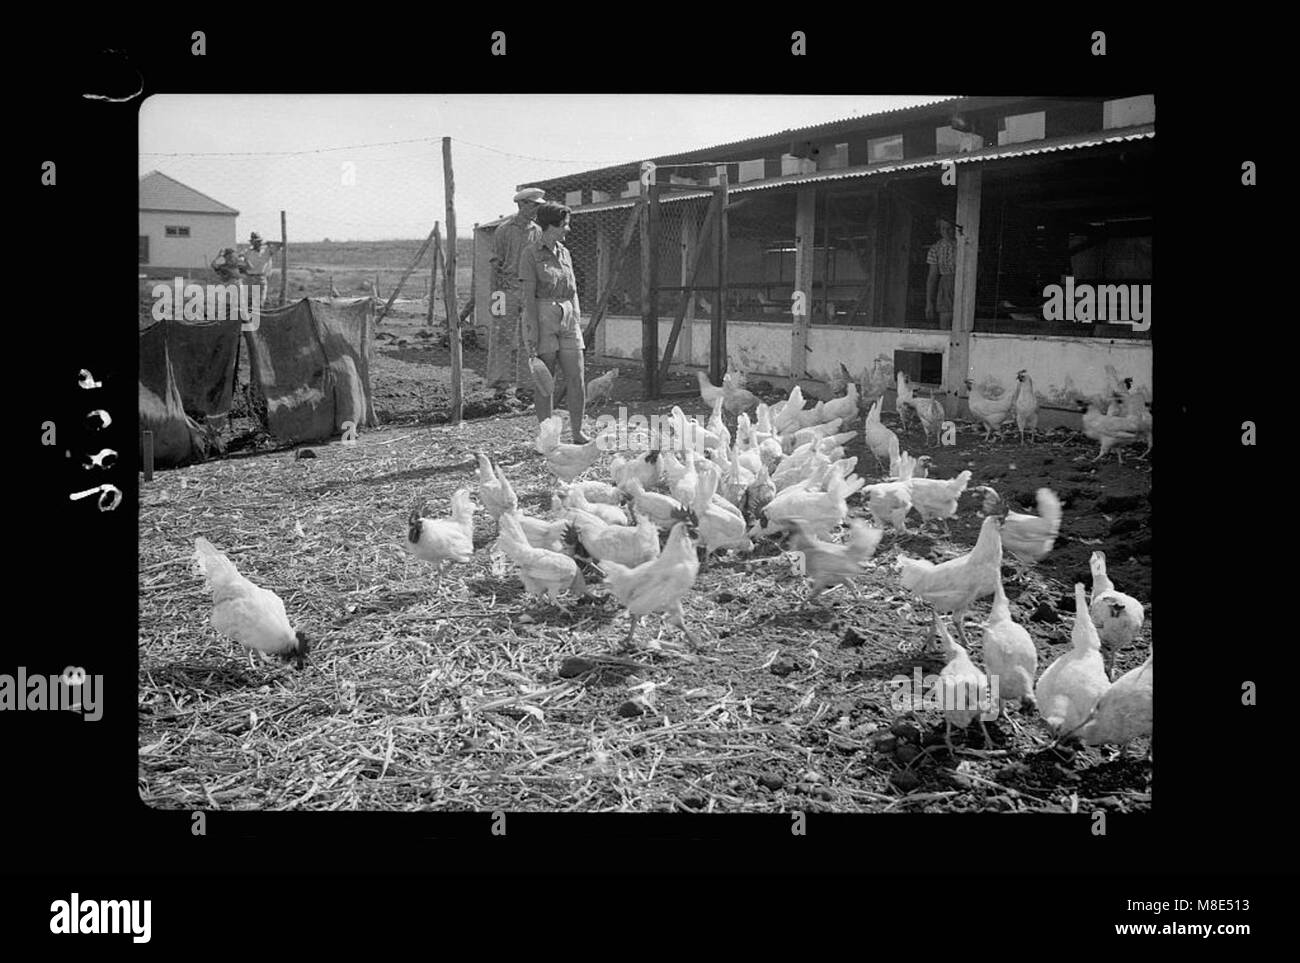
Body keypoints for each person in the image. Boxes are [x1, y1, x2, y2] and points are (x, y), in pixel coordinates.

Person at [520, 202, 587, 442]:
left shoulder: (565, 253)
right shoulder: (530, 254)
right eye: (565, 225)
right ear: (550, 226)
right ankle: (547, 438)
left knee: (577, 377)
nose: (568, 230)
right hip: (543, 316)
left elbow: (574, 290)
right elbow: (528, 297)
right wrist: (533, 332)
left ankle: (578, 432)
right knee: (545, 381)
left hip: (568, 317)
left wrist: (576, 318)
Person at [488, 188, 545, 394]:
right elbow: (495, 264)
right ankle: (499, 384)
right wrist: (495, 297)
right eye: (533, 204)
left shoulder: (537, 231)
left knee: (529, 338)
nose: (537, 208)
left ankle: (527, 385)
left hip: (529, 291)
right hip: (507, 290)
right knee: (502, 335)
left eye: (538, 205)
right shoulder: (504, 230)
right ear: (522, 205)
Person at [925, 218, 957, 328]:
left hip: (963, 283)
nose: (947, 231)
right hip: (946, 287)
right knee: (946, 322)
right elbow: (932, 278)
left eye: (950, 228)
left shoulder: (964, 246)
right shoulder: (936, 248)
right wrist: (929, 302)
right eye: (943, 228)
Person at [242, 232, 281, 305]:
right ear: (252, 243)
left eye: (259, 241)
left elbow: (281, 245)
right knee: (248, 303)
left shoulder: (267, 250)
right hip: (249, 278)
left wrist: (269, 243)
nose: (257, 243)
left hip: (260, 278)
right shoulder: (248, 252)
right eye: (255, 242)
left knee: (260, 302)